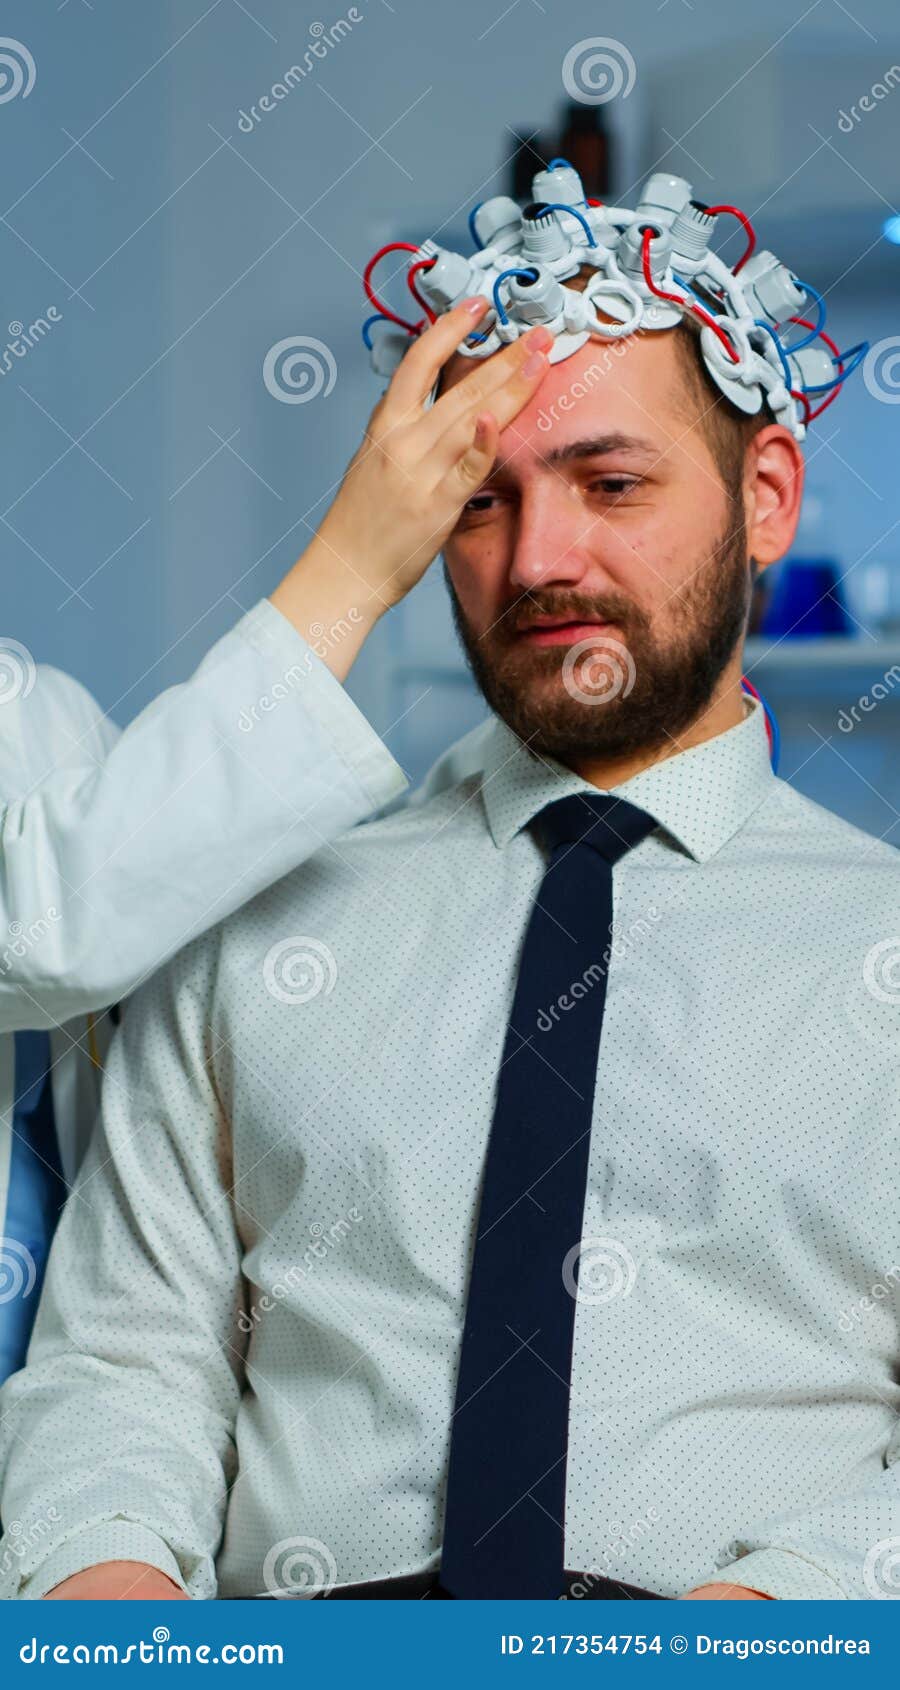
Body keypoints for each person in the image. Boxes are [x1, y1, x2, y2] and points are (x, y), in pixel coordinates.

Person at [0, 267, 896, 1604]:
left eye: (612, 485)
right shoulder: (253, 931)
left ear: (766, 496)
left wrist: (759, 1624)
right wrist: (110, 1604)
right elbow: (122, 1366)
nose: (538, 560)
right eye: (480, 498)